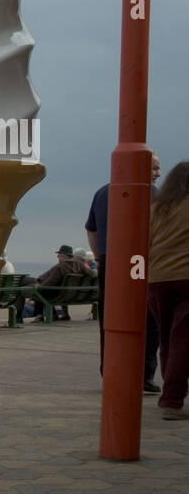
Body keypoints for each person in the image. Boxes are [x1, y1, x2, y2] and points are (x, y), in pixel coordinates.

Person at [86, 153, 161, 391]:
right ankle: (144, 374)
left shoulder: (101, 193)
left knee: (110, 316)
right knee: (148, 316)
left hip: (109, 260)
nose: (158, 173)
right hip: (140, 259)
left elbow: (91, 228)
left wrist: (99, 256)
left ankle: (110, 371)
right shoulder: (153, 194)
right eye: (155, 168)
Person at [148, 160, 189, 419]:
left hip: (157, 280)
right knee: (183, 340)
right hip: (186, 278)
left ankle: (171, 396)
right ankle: (172, 401)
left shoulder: (155, 208)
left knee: (167, 338)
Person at [30, 245, 90, 322]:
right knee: (43, 288)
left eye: (59, 255)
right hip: (73, 293)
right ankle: (58, 314)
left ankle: (41, 315)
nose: (57, 256)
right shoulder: (79, 265)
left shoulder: (60, 267)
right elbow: (92, 273)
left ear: (63, 255)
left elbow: (51, 282)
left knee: (40, 292)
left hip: (60, 293)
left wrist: (39, 288)